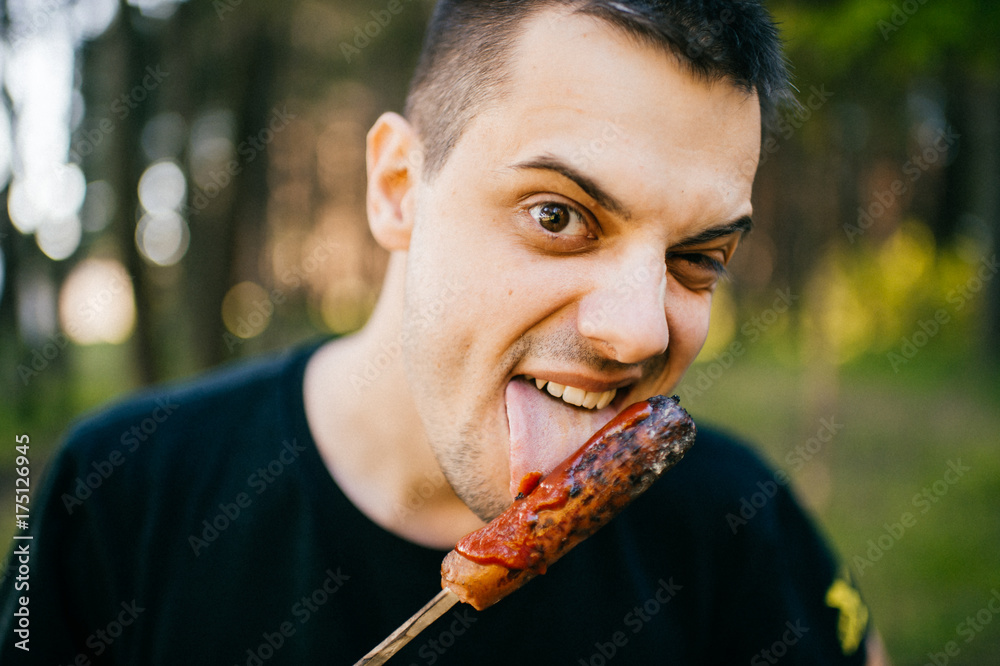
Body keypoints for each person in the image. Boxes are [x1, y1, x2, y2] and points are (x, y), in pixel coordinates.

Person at [1, 1, 889, 663]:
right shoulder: (115, 496)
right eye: (557, 215)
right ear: (397, 186)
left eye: (698, 257)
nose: (637, 332)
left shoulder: (738, 531)